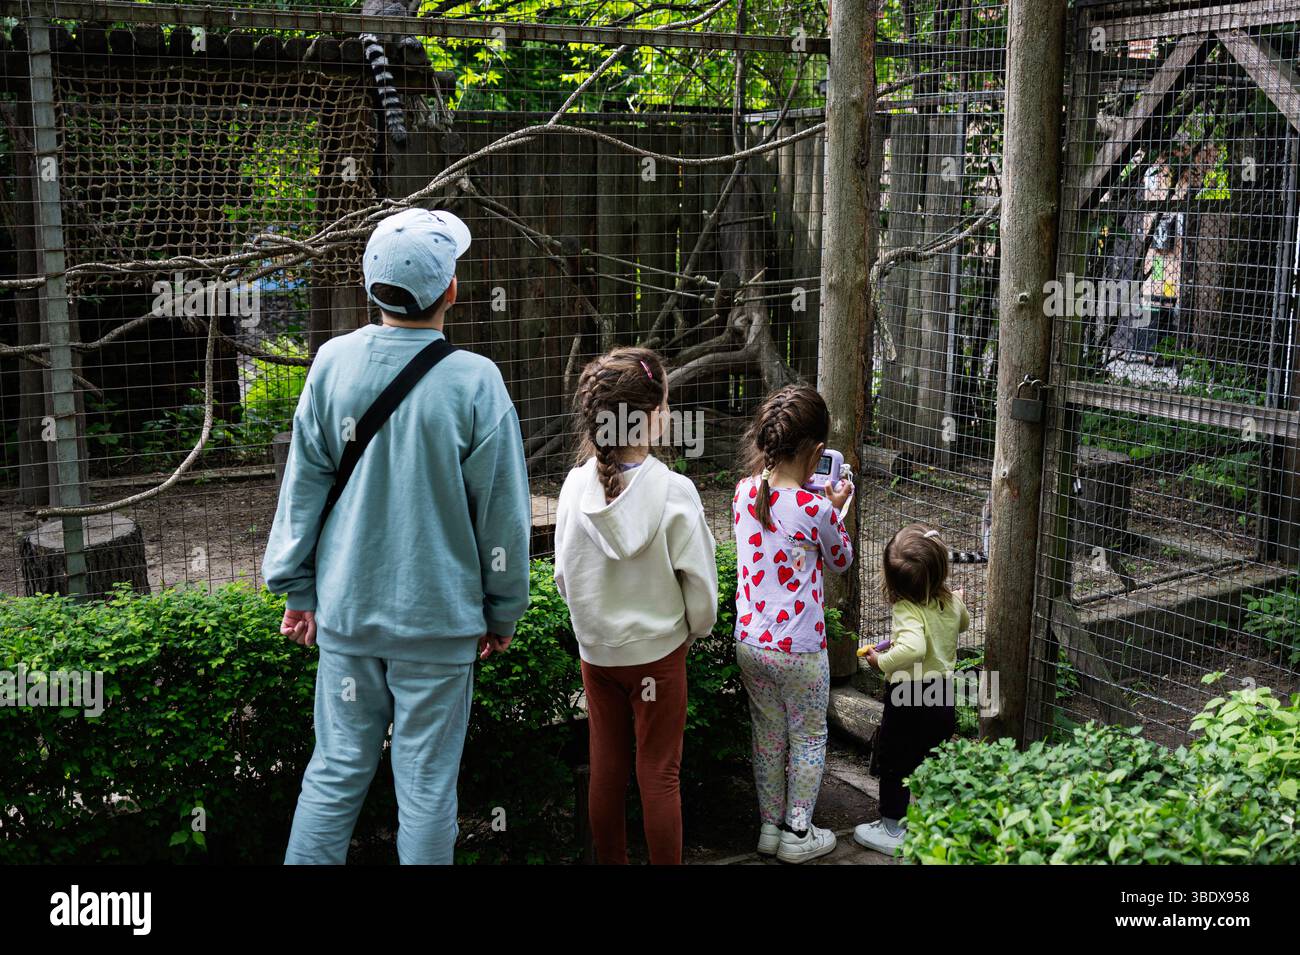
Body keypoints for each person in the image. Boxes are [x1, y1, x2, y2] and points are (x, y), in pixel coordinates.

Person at [262, 208, 531, 865]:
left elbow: (302, 489)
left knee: (335, 770)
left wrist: (298, 590)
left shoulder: (330, 365)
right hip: (438, 625)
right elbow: (502, 517)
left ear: (368, 286)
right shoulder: (476, 382)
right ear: (451, 291)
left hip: (348, 617)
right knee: (427, 788)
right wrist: (503, 610)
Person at [553, 347, 718, 865]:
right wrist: (694, 630)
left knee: (607, 766)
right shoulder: (677, 492)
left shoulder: (574, 484)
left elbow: (562, 575)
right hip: (660, 658)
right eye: (665, 403)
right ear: (647, 418)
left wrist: (594, 628)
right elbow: (702, 590)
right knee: (659, 774)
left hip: (598, 656)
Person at [733, 384, 854, 864]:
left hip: (751, 644)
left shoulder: (744, 493)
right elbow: (840, 558)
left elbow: (779, 517)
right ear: (818, 452)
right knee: (807, 737)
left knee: (768, 735)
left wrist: (817, 499)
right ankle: (798, 835)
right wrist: (838, 505)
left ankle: (769, 828)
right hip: (801, 649)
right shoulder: (817, 508)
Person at [855, 524, 969, 856]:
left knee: (894, 758)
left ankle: (892, 827)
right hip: (942, 695)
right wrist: (958, 601)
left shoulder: (906, 608)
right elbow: (959, 624)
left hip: (910, 697)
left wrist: (881, 660)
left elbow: (915, 648)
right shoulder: (949, 599)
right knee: (929, 758)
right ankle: (927, 820)